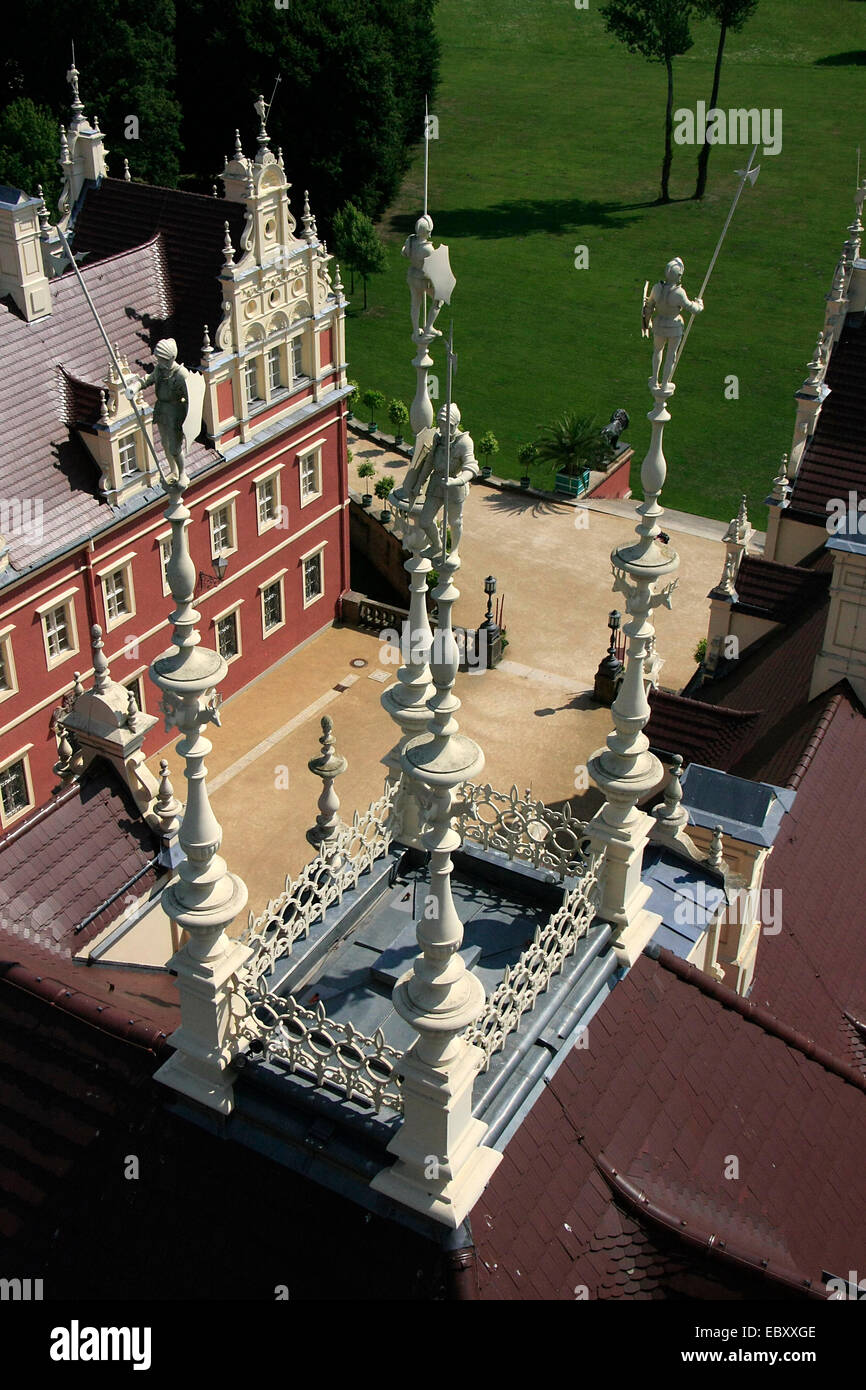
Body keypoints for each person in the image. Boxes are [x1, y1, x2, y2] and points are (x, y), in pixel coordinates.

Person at [394, 404, 478, 563]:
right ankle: (437, 545)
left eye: (446, 425)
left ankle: (454, 551)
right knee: (425, 521)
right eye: (440, 424)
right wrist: (419, 483)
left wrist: (456, 481)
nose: (442, 428)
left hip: (454, 486)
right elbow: (429, 463)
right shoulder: (438, 439)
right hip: (436, 484)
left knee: (455, 521)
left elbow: (471, 467)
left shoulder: (464, 442)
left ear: (454, 424)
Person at [642, 259, 703, 391]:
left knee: (657, 351)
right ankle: (664, 384)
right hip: (674, 326)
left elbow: (649, 307)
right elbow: (693, 309)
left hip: (659, 324)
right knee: (671, 355)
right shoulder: (678, 293)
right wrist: (700, 304)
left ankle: (654, 379)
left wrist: (647, 321)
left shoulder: (657, 287)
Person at [138, 339, 191, 485]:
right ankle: (173, 470)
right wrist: (136, 386)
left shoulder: (181, 374)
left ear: (171, 358)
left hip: (175, 411)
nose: (158, 361)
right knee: (165, 443)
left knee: (175, 447)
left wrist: (187, 419)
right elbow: (148, 379)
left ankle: (182, 473)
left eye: (161, 359)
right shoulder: (160, 370)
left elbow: (190, 399)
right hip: (161, 409)